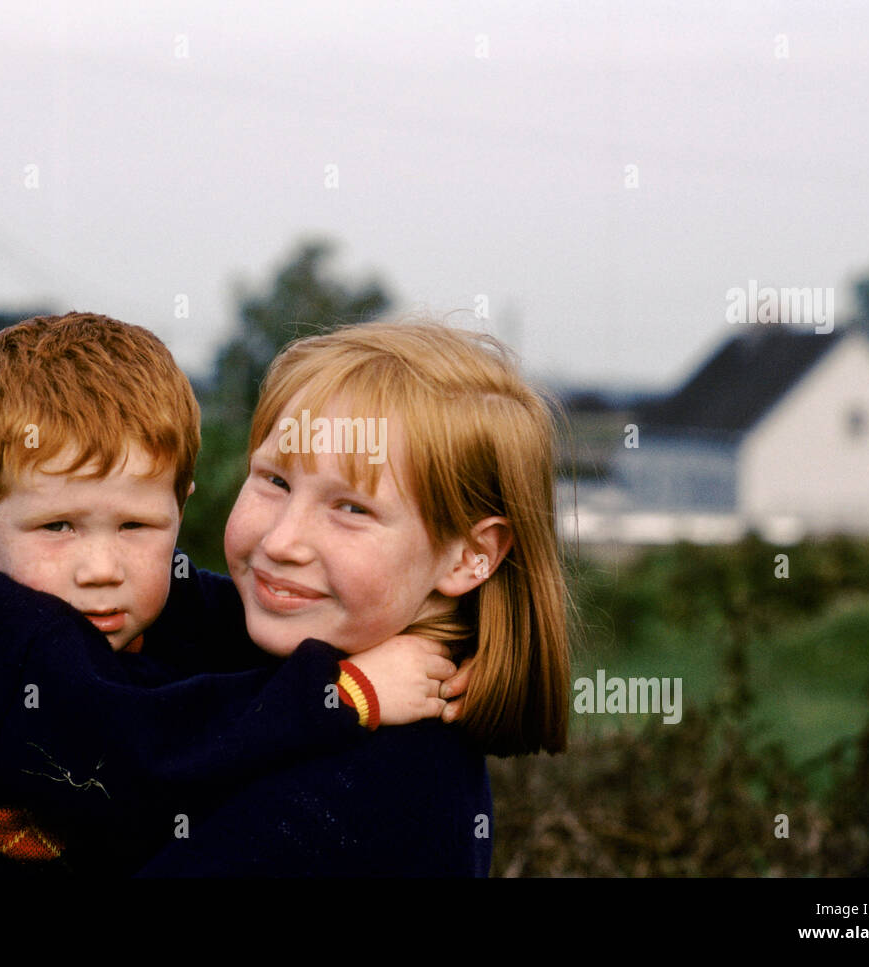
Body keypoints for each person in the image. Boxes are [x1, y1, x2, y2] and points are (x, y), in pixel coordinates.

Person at [0, 312, 456, 877]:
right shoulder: (3, 636)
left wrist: (435, 639)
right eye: (58, 526)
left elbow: (228, 623)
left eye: (136, 526)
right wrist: (349, 692)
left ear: (180, 510)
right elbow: (144, 753)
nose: (100, 567)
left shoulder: (150, 596)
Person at [136, 317, 573, 876]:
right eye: (275, 481)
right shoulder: (265, 653)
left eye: (351, 509)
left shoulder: (381, 784)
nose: (282, 541)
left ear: (470, 556)